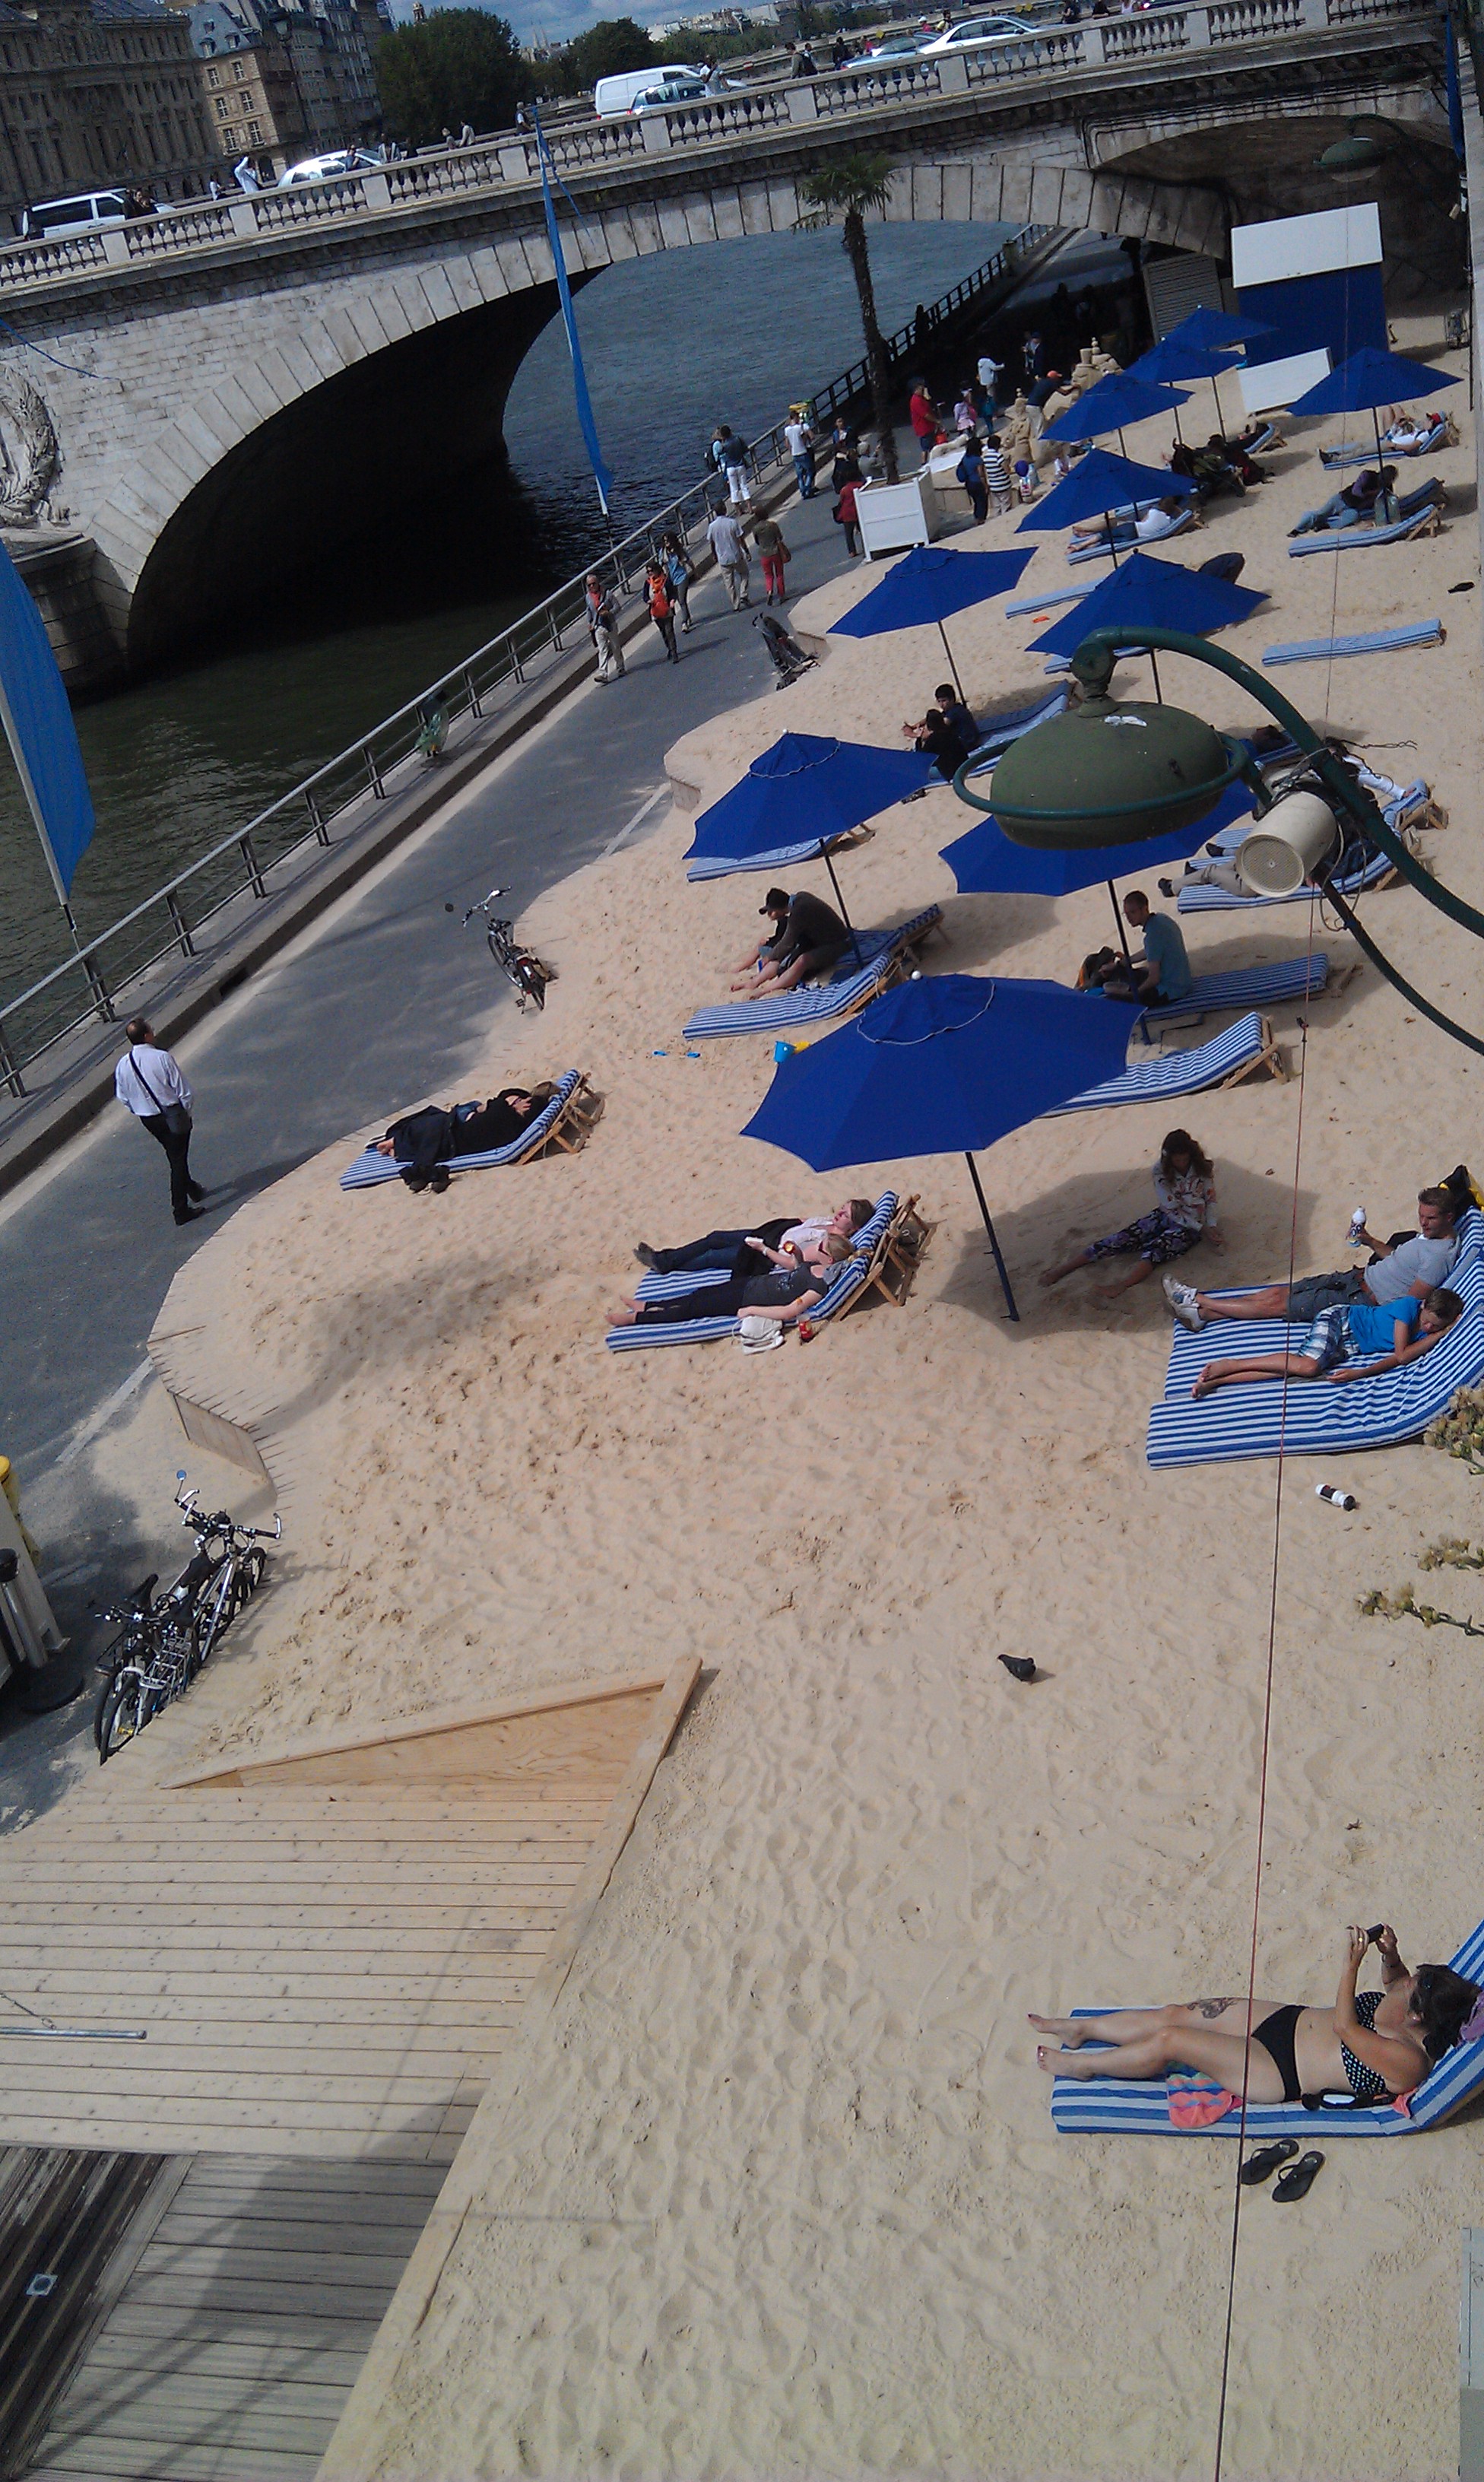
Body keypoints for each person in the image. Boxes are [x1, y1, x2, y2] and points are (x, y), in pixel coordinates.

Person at [1032, 1924, 1479, 2105]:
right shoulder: (1403, 2010)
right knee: (1178, 2013)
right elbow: (1391, 1983)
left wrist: (1349, 1965)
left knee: (1172, 2040)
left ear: (1417, 2017)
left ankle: (1085, 2067)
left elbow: (1345, 2026)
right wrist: (1391, 1955)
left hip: (1278, 2071)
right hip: (1284, 2020)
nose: (1401, 1981)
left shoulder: (1408, 2060)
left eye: (1409, 1984)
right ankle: (1082, 2029)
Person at [1165, 1187, 1462, 1331]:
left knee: (1278, 1305)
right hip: (1354, 1279)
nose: (1423, 1223)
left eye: (1430, 1218)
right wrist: (1370, 1240)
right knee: (1279, 1293)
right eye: (1421, 1216)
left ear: (1449, 1217)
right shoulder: (1430, 1237)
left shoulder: (1439, 1257)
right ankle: (1200, 1315)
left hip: (1363, 1300)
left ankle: (1198, 1300)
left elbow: (1408, 1304)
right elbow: (1397, 1259)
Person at [1039, 1129, 1221, 1303]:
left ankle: (1122, 1285)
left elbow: (1210, 1198)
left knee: (1157, 1250)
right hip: (1168, 1215)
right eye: (1177, 1160)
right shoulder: (1160, 1171)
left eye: (1184, 1159)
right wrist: (1203, 1228)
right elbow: (1170, 1207)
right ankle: (1064, 1269)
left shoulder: (1201, 1169)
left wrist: (1210, 1225)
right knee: (1121, 1239)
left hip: (1190, 1227)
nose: (1181, 1164)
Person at [1191, 1284, 1463, 1398]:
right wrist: (1439, 1335)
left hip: (1349, 1345)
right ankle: (1231, 1364)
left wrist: (1360, 1372)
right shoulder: (1408, 1308)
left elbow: (1396, 1358)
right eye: (1428, 1321)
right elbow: (1403, 1355)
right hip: (1342, 1320)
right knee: (1308, 1367)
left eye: (1434, 1327)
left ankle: (1219, 1381)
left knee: (1295, 1369)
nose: (1427, 1327)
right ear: (1424, 1304)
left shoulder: (1425, 1329)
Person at [611, 1232, 849, 1329]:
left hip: (748, 1298)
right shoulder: (815, 1266)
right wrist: (796, 1253)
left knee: (694, 1309)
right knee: (699, 1294)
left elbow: (789, 1311)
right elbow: (797, 1269)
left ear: (829, 1258)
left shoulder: (819, 1287)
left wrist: (751, 1310)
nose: (815, 1248)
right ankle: (648, 1305)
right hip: (752, 1283)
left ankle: (637, 1319)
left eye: (820, 1247)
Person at [114, 1018, 208, 1227]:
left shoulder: (123, 1063)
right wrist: (186, 1113)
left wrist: (138, 1109)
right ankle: (180, 1210)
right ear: (147, 1035)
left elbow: (122, 1096)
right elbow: (184, 1092)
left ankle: (193, 1188)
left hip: (148, 1119)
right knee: (177, 1160)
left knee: (174, 1153)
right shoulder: (162, 1058)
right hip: (171, 1114)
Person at [373, 1085, 555, 1191]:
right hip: (458, 1131)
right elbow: (498, 1099)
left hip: (454, 1133)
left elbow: (496, 1101)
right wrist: (511, 1102)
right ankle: (395, 1145)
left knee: (432, 1124)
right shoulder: (510, 1118)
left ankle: (395, 1143)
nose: (516, 1102)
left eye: (519, 1102)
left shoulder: (505, 1114)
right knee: (433, 1124)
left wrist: (509, 1103)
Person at [634, 1198, 874, 1275]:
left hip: (766, 1253)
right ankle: (666, 1259)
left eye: (845, 1215)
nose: (839, 1212)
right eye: (842, 1208)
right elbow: (801, 1223)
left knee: (711, 1257)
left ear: (853, 1227)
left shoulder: (833, 1244)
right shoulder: (826, 1222)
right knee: (715, 1237)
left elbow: (798, 1262)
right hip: (769, 1234)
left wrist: (767, 1250)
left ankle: (664, 1263)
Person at [730, 885, 851, 994]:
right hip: (819, 939)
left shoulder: (798, 913)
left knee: (802, 960)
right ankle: (754, 982)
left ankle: (766, 990)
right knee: (783, 955)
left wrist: (769, 957)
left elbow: (786, 943)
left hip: (839, 943)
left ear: (777, 910)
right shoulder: (801, 897)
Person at [1085, 890, 1191, 1006]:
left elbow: (1154, 979)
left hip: (1170, 990)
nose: (1129, 918)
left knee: (1112, 999)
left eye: (1133, 912)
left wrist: (1135, 993)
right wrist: (1122, 963)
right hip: (1182, 980)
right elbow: (1151, 951)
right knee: (1123, 970)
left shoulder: (1152, 936)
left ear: (1145, 909)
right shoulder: (1161, 920)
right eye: (1126, 914)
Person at [1290, 465, 1398, 535]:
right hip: (1341, 500)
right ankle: (1298, 529)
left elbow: (1386, 501)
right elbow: (1356, 491)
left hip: (1353, 508)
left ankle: (1326, 525)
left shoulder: (1386, 488)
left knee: (1352, 517)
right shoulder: (1367, 475)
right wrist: (1372, 493)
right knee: (1321, 513)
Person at [707, 503, 751, 608]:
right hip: (736, 555)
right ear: (725, 510)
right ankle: (743, 595)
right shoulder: (732, 523)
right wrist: (746, 551)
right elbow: (740, 539)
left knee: (729, 583)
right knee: (744, 574)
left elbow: (712, 543)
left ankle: (735, 604)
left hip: (723, 558)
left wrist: (714, 554)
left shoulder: (712, 526)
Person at [584, 573, 623, 681]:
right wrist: (590, 623)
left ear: (598, 583)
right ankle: (603, 673)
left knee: (616, 648)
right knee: (602, 650)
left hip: (610, 625)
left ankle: (620, 668)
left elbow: (618, 607)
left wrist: (609, 613)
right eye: (589, 585)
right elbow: (589, 610)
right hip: (598, 627)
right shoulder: (588, 597)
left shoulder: (607, 594)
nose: (592, 587)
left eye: (594, 584)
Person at [644, 560, 680, 663]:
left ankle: (674, 653)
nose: (650, 573)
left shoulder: (666, 580)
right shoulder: (648, 583)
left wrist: (672, 601)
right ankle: (669, 648)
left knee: (669, 631)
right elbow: (645, 596)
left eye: (651, 571)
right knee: (663, 632)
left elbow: (673, 592)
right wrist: (648, 601)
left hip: (667, 610)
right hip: (655, 611)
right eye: (648, 572)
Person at [658, 532, 695, 632]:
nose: (666, 543)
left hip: (681, 577)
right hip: (671, 580)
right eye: (664, 541)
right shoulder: (663, 553)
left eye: (668, 540)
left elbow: (688, 561)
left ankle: (684, 623)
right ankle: (688, 617)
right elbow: (660, 566)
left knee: (682, 600)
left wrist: (694, 570)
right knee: (680, 601)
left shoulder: (679, 550)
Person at [752, 512, 790, 605]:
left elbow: (757, 541)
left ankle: (769, 591)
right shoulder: (772, 525)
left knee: (768, 575)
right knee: (779, 574)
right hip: (775, 551)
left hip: (764, 554)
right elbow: (780, 537)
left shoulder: (755, 529)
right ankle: (782, 594)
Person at [956, 439, 989, 525]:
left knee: (976, 502)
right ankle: (981, 520)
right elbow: (981, 475)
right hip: (977, 484)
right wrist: (986, 486)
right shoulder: (978, 460)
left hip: (969, 484)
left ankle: (977, 518)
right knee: (982, 502)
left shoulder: (965, 458)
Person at [784, 411, 816, 499]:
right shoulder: (799, 428)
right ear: (796, 417)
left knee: (800, 475)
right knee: (810, 471)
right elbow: (805, 438)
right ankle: (806, 488)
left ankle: (802, 490)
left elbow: (786, 444)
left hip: (795, 454)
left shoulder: (786, 430)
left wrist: (791, 450)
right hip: (803, 451)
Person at [981, 432, 1013, 516]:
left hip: (993, 486)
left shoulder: (986, 457)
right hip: (1003, 485)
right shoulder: (998, 456)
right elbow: (1007, 470)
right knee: (1006, 507)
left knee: (997, 508)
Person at [907, 377, 937, 468]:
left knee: (931, 445)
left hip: (928, 427)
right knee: (926, 448)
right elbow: (925, 415)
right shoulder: (916, 401)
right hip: (923, 428)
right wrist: (936, 420)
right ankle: (924, 464)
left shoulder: (922, 398)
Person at [832, 471, 863, 558]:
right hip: (858, 511)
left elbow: (841, 502)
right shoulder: (861, 485)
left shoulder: (844, 490)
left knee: (849, 534)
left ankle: (852, 551)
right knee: (862, 531)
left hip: (847, 513)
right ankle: (866, 546)